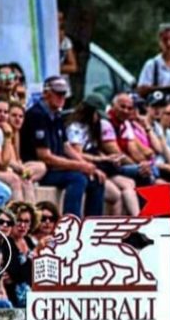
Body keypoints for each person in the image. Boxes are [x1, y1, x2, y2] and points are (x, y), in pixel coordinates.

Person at [19, 76, 105, 217]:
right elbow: (45, 156)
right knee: (78, 178)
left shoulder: (56, 115)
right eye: (58, 93)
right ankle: (70, 222)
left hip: (56, 166)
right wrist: (80, 166)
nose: (62, 97)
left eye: (64, 94)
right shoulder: (37, 115)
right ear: (46, 93)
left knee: (96, 179)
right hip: (41, 168)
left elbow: (66, 146)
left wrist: (88, 166)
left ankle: (93, 226)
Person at [65, 93, 140, 216]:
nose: (98, 118)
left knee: (131, 181)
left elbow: (95, 149)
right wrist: (101, 159)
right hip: (84, 168)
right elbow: (77, 153)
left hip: (100, 167)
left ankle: (128, 225)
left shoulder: (93, 127)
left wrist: (108, 158)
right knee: (115, 194)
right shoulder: (75, 127)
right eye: (97, 115)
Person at [137, 23, 170, 98]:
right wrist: (166, 89)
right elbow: (141, 90)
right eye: (165, 40)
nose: (168, 43)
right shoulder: (152, 65)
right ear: (160, 42)